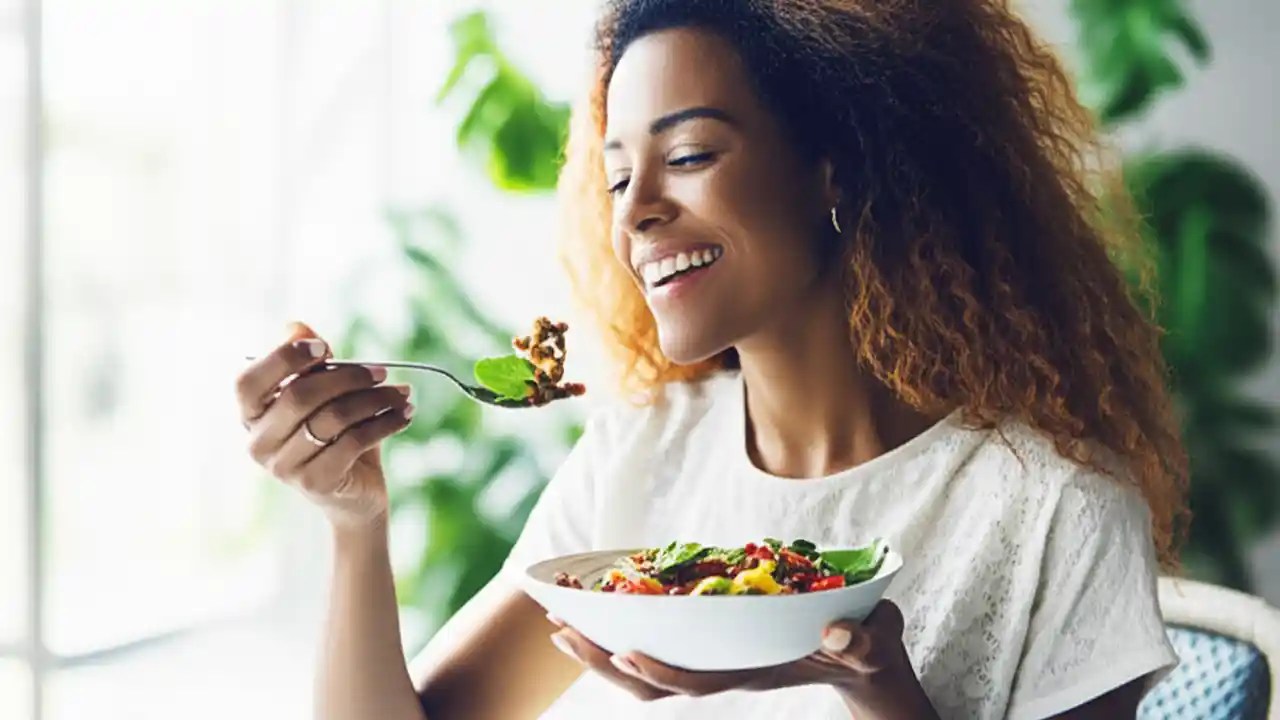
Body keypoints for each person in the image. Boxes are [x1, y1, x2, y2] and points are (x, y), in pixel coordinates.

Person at [234, 0, 1191, 718]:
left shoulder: (1056, 507)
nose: (635, 210)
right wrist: (355, 526)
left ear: (837, 168)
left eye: (687, 155)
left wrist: (877, 686)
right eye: (615, 175)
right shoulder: (642, 456)